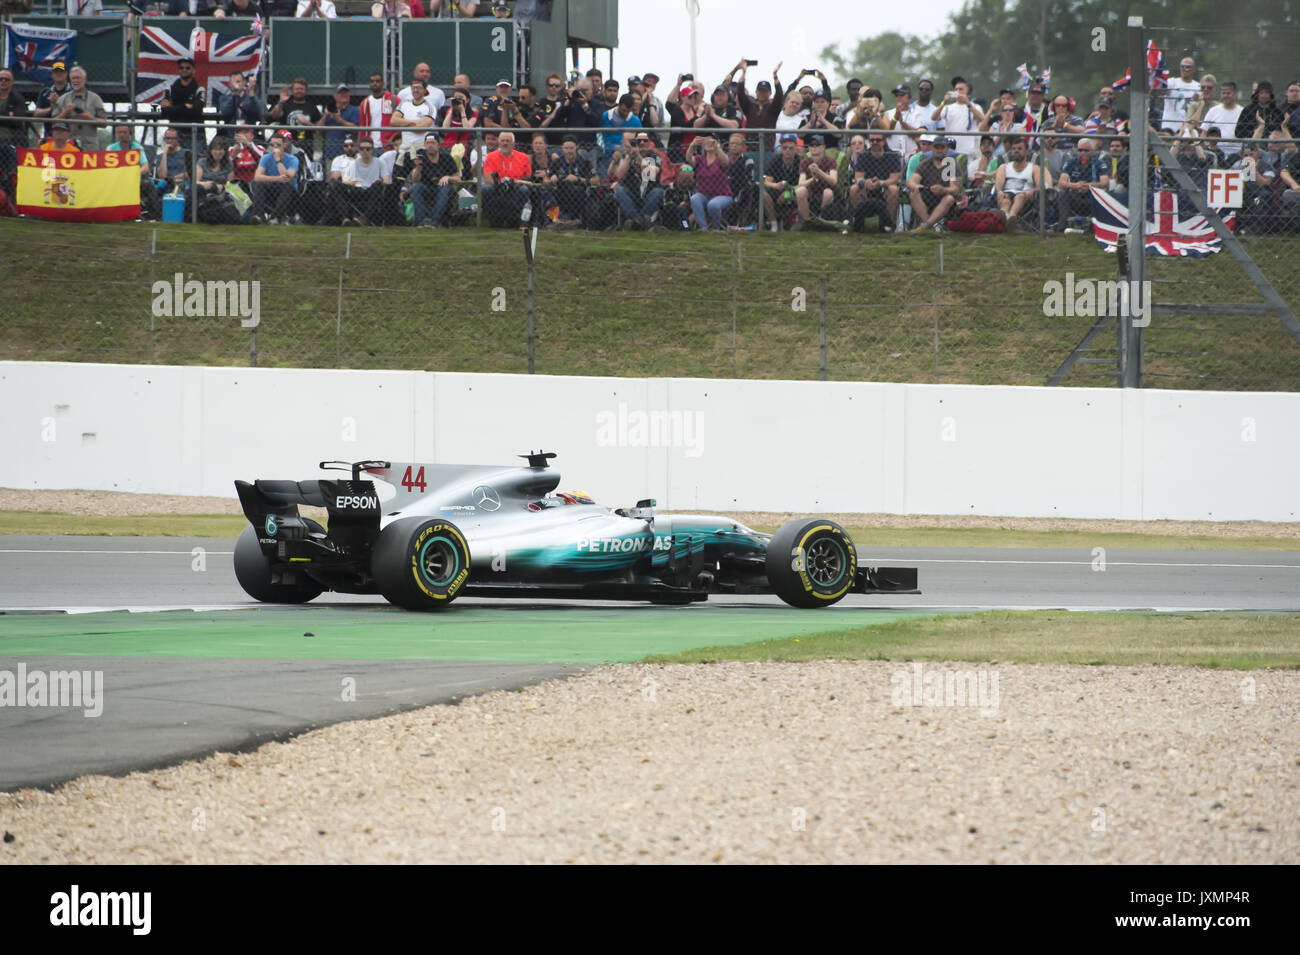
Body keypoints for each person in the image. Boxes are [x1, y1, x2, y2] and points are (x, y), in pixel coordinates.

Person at [848, 131, 901, 232]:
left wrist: (880, 183)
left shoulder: (892, 155)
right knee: (854, 188)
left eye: (878, 140)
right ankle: (859, 224)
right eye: (872, 140)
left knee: (894, 189)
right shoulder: (863, 156)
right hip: (867, 190)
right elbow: (858, 177)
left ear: (884, 141)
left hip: (884, 189)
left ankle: (888, 226)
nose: (875, 142)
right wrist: (864, 182)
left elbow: (894, 179)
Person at [907, 136, 962, 231]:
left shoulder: (952, 165)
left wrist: (942, 189)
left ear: (947, 149)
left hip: (944, 197)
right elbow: (911, 181)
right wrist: (916, 186)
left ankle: (925, 226)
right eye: (937, 147)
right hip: (927, 196)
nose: (939, 150)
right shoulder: (924, 164)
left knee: (949, 198)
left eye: (942, 147)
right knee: (913, 193)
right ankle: (930, 227)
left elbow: (955, 188)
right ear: (932, 148)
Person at [481, 129, 533, 226]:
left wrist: (514, 183)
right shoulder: (490, 157)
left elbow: (528, 177)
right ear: (499, 143)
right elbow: (488, 179)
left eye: (507, 141)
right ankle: (494, 219)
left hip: (516, 187)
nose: (505, 143)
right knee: (485, 189)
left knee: (524, 190)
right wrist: (501, 184)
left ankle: (515, 219)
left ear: (513, 143)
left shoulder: (523, 157)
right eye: (502, 141)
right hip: (497, 187)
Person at [611, 134, 664, 229]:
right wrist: (629, 157)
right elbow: (618, 175)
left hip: (648, 195)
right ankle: (640, 221)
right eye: (639, 141)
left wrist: (638, 156)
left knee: (658, 192)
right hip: (632, 195)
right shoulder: (629, 156)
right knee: (619, 190)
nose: (642, 143)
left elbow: (651, 173)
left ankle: (636, 222)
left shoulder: (654, 156)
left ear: (649, 143)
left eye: (645, 140)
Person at [1055, 137, 1108, 230]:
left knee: (1104, 195)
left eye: (1086, 150)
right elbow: (1061, 182)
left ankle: (1098, 227)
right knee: (1062, 194)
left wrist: (1088, 185)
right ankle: (1063, 226)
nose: (1082, 153)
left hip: (1093, 195)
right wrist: (1075, 185)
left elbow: (1105, 183)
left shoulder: (1099, 163)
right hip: (1076, 194)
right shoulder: (1071, 162)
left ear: (1092, 151)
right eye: (1080, 150)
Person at [249, 132, 299, 224]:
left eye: (278, 145)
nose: (275, 147)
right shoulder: (266, 158)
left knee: (287, 186)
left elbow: (287, 178)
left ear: (284, 145)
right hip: (271, 189)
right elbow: (257, 177)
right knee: (257, 183)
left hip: (289, 193)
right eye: (272, 145)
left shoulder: (293, 159)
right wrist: (277, 179)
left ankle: (275, 217)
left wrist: (278, 160)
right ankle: (259, 216)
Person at [685, 134, 732, 230]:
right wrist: (692, 145)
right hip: (704, 195)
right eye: (706, 141)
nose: (709, 143)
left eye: (712, 141)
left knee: (713, 205)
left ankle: (716, 229)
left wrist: (717, 148)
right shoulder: (700, 159)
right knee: (694, 198)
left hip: (722, 195)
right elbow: (689, 159)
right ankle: (704, 229)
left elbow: (726, 162)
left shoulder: (720, 159)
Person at [53, 66, 106, 150]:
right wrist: (65, 113)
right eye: (73, 78)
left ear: (84, 79)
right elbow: (52, 122)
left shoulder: (95, 99)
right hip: (68, 146)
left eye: (78, 78)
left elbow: (104, 123)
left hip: (89, 146)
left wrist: (90, 118)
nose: (75, 81)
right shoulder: (62, 99)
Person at [933, 77, 985, 160]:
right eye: (956, 89)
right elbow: (934, 117)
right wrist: (944, 102)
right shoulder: (948, 108)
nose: (958, 92)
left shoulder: (974, 106)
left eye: (961, 89)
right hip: (951, 151)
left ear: (968, 91)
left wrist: (967, 103)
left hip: (968, 151)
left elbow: (982, 119)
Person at [548, 134, 594, 226]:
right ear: (562, 148)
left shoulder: (585, 162)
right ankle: (555, 219)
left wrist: (578, 179)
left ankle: (572, 220)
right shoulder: (557, 162)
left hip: (579, 193)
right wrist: (552, 178)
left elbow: (596, 181)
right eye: (566, 148)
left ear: (577, 147)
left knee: (575, 189)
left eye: (571, 148)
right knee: (549, 193)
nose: (569, 151)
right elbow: (546, 179)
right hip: (560, 193)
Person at [994, 136, 1039, 227]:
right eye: (1014, 149)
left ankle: (1011, 217)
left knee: (1020, 197)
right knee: (1005, 200)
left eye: (1019, 148)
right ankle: (1005, 217)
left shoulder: (1034, 168)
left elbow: (1040, 185)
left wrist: (1032, 191)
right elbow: (998, 185)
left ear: (1027, 151)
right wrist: (999, 192)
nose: (1016, 151)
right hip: (1007, 193)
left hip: (1024, 195)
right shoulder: (1004, 167)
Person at [195, 136, 241, 224]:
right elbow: (195, 181)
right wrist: (204, 184)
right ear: (211, 150)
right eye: (215, 149)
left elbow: (230, 185)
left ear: (225, 151)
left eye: (220, 150)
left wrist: (222, 187)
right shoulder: (202, 162)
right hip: (204, 190)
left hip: (220, 194)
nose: (217, 152)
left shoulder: (228, 164)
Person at [762, 133, 802, 230]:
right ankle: (774, 224)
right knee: (763, 194)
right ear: (781, 149)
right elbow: (766, 181)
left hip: (794, 191)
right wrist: (775, 185)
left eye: (791, 148)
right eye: (785, 148)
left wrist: (789, 191)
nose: (787, 150)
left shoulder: (800, 161)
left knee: (802, 192)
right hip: (778, 189)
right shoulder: (776, 160)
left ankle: (797, 223)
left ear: (796, 149)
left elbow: (803, 184)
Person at [159, 58, 206, 137]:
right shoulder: (170, 88)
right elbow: (164, 111)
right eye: (181, 68)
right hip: (174, 135)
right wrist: (185, 107)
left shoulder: (199, 89)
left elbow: (197, 109)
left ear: (193, 70)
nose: (184, 70)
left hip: (194, 134)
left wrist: (173, 108)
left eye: (187, 68)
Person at [392, 79, 437, 155]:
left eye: (418, 88)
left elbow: (422, 128)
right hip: (404, 150)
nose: (415, 90)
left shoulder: (430, 107)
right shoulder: (404, 104)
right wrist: (415, 122)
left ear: (424, 90)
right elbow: (393, 121)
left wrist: (403, 123)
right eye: (413, 88)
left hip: (421, 150)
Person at [600, 93, 642, 171]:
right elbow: (599, 137)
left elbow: (642, 140)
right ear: (619, 104)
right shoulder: (605, 117)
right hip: (606, 158)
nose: (626, 113)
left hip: (627, 160)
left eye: (628, 111)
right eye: (624, 110)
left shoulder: (635, 120)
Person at [724, 131, 758, 226]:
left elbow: (749, 180)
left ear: (743, 147)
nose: (734, 146)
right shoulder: (723, 159)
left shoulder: (748, 160)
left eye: (737, 144)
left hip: (741, 190)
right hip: (723, 189)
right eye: (732, 143)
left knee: (754, 190)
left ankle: (746, 221)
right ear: (729, 146)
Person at [215, 72, 262, 139]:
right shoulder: (224, 98)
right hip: (231, 135)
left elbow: (257, 111)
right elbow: (225, 112)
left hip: (249, 135)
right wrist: (234, 94)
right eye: (233, 82)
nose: (235, 84)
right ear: (229, 84)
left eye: (238, 81)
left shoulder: (250, 97)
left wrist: (251, 91)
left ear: (244, 82)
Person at [32, 61, 72, 141]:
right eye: (56, 72)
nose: (58, 74)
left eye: (61, 72)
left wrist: (58, 102)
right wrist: (51, 108)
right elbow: (37, 113)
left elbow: (75, 113)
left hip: (69, 137)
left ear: (66, 74)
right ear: (52, 74)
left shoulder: (73, 92)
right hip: (49, 136)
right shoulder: (45, 92)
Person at [1202, 82, 1244, 156]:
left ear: (1235, 94)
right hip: (1215, 153)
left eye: (1228, 93)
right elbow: (1203, 134)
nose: (1225, 96)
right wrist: (1210, 147)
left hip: (1237, 154)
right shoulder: (1213, 111)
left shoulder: (1242, 112)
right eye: (1223, 93)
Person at [322, 84, 360, 163]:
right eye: (341, 93)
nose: (344, 95)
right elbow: (318, 131)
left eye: (346, 93)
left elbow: (356, 129)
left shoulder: (354, 110)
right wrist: (325, 116)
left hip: (350, 154)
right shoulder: (329, 110)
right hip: (332, 154)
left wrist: (339, 120)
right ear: (335, 96)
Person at [358, 73, 397, 151]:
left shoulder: (393, 100)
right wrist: (361, 144)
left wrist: (393, 138)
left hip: (387, 145)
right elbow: (362, 126)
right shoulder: (365, 103)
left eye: (377, 81)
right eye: (372, 81)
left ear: (383, 83)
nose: (374, 83)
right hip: (370, 147)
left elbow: (399, 123)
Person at [1163, 56, 1200, 133]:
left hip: (1187, 130)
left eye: (1188, 67)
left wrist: (1197, 101)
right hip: (1169, 129)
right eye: (1182, 66)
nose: (1184, 68)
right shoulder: (1172, 82)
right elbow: (1160, 90)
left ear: (1194, 69)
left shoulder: (1198, 87)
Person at [154, 126, 190, 191]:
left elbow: (190, 173)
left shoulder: (186, 153)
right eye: (167, 138)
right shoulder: (160, 157)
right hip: (166, 184)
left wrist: (174, 178)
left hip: (181, 183)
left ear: (177, 140)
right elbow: (162, 175)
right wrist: (165, 152)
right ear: (164, 140)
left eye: (173, 139)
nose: (170, 141)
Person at [0, 69, 29, 150]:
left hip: (11, 140)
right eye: (1, 79)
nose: (3, 81)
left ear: (12, 82)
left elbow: (17, 120)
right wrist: (9, 115)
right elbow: (12, 118)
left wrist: (2, 116)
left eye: (6, 79)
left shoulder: (18, 98)